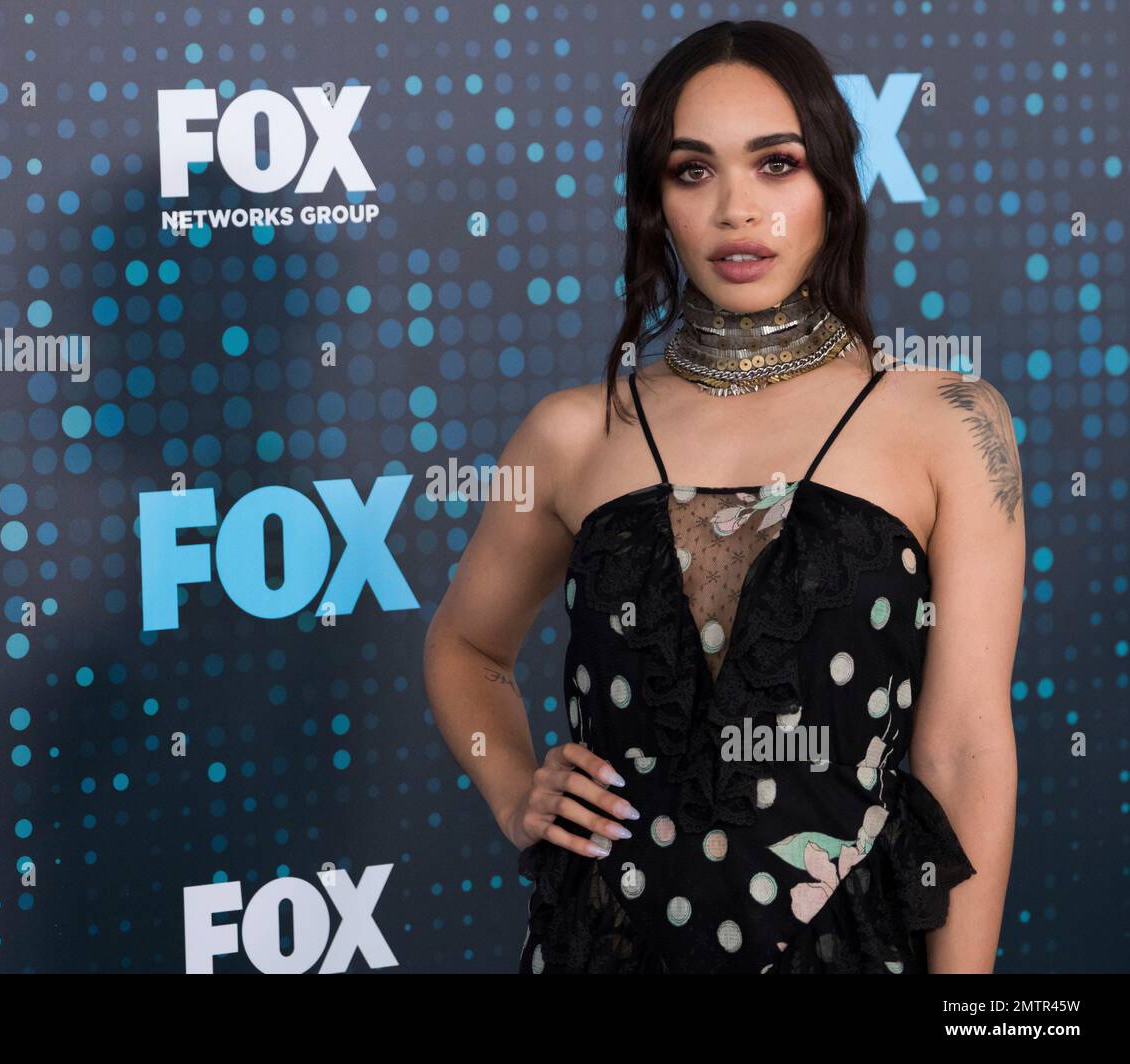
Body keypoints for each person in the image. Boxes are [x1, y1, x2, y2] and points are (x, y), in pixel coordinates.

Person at [422, 19, 1021, 973]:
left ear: (832, 184)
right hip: (606, 945)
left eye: (777, 164)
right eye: (692, 171)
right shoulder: (572, 433)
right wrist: (511, 789)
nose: (740, 209)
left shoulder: (948, 419)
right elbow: (465, 647)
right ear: (655, 204)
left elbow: (964, 752)